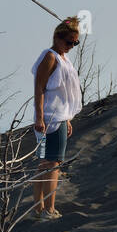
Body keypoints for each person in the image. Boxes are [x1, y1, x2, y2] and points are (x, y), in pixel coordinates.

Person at [32, 16, 83, 218]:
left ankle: (38, 209)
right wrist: (39, 117)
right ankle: (49, 209)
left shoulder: (63, 57)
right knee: (53, 164)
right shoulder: (51, 57)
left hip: (57, 117)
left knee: (44, 163)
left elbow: (64, 93)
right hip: (50, 119)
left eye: (75, 43)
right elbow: (40, 87)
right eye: (68, 41)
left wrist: (68, 118)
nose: (71, 46)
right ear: (57, 37)